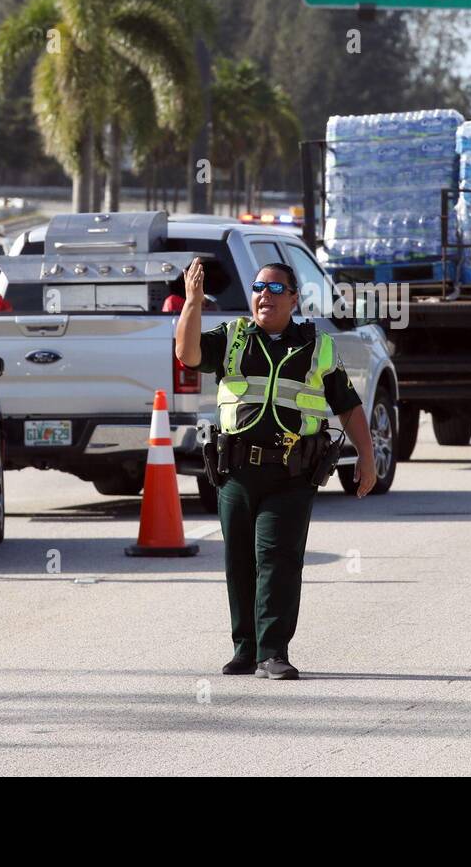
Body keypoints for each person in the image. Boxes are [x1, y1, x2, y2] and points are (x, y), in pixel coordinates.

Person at [175, 257, 377, 680]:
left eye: (275, 289)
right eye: (258, 288)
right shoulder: (231, 337)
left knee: (278, 559)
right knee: (240, 560)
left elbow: (348, 405)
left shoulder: (316, 345)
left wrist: (367, 456)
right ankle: (244, 649)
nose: (264, 295)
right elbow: (187, 354)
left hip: (291, 472)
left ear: (294, 298)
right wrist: (192, 302)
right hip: (235, 472)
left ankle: (273, 652)